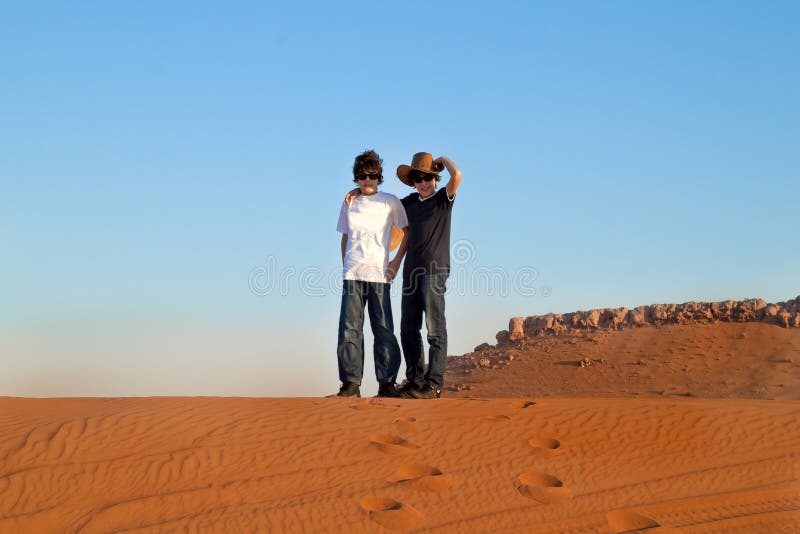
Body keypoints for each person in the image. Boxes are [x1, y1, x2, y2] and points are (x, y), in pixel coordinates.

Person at [335, 150, 409, 398]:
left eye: (373, 175)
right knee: (349, 329)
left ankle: (387, 382)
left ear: (379, 177)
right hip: (352, 273)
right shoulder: (349, 202)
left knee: (383, 328)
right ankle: (350, 383)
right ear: (356, 178)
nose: (368, 180)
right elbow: (345, 236)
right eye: (363, 176)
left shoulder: (390, 202)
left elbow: (406, 231)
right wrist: (345, 264)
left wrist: (396, 263)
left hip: (379, 274)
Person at [396, 152, 461, 399]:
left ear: (435, 178)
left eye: (428, 177)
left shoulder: (443, 199)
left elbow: (458, 175)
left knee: (434, 330)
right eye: (418, 178)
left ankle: (433, 385)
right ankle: (415, 381)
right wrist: (357, 193)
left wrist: (443, 159)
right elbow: (381, 205)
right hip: (410, 272)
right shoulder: (408, 203)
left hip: (435, 272)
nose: (423, 183)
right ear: (412, 181)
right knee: (408, 329)